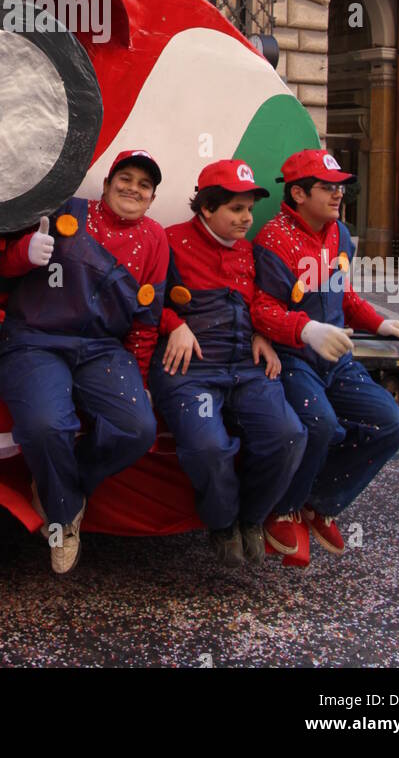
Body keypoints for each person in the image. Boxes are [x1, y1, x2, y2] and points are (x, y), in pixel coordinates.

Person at [0, 149, 167, 575]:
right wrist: (24, 252)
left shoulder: (155, 238)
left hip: (102, 349)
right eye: (125, 179)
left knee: (138, 428)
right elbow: (2, 263)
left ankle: (64, 484)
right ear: (105, 185)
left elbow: (146, 320)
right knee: (46, 426)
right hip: (35, 340)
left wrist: (141, 380)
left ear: (153, 197)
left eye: (144, 185)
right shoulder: (66, 210)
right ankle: (64, 514)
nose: (133, 189)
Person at [149, 160, 308, 566]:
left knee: (289, 435)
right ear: (206, 207)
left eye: (249, 209)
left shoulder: (252, 252)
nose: (247, 219)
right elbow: (141, 298)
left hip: (247, 367)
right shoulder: (168, 241)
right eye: (236, 209)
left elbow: (265, 304)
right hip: (190, 371)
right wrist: (173, 324)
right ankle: (221, 524)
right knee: (208, 447)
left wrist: (263, 333)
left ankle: (252, 518)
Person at [253, 149, 399, 557]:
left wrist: (378, 322)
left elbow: (345, 294)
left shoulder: (340, 232)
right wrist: (307, 330)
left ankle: (319, 501)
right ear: (298, 193)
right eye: (328, 187)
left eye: (340, 187)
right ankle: (282, 510)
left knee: (393, 424)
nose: (339, 194)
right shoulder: (273, 239)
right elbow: (263, 309)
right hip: (293, 359)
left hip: (338, 361)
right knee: (319, 423)